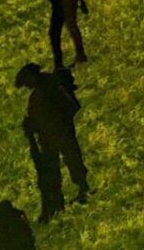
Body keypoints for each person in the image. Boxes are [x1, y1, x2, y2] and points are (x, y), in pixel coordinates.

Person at [18, 62, 89, 209]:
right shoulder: (43, 89)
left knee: (70, 159)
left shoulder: (50, 87)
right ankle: (64, 195)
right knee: (60, 163)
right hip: (50, 134)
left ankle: (82, 188)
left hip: (58, 131)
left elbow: (65, 107)